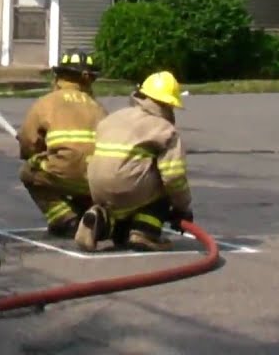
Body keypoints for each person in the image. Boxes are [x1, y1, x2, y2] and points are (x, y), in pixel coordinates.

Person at [77, 70, 194, 252]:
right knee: (166, 185)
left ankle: (100, 219)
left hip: (98, 189)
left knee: (121, 234)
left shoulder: (113, 117)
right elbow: (174, 176)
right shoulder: (164, 129)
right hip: (130, 188)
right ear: (166, 104)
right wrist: (181, 208)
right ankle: (144, 233)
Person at [15, 49, 108, 239]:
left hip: (64, 172)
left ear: (59, 76)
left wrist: (32, 154)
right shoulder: (98, 107)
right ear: (87, 79)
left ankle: (65, 219)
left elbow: (28, 142)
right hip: (97, 178)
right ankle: (91, 214)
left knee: (29, 173)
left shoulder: (46, 103)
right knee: (80, 173)